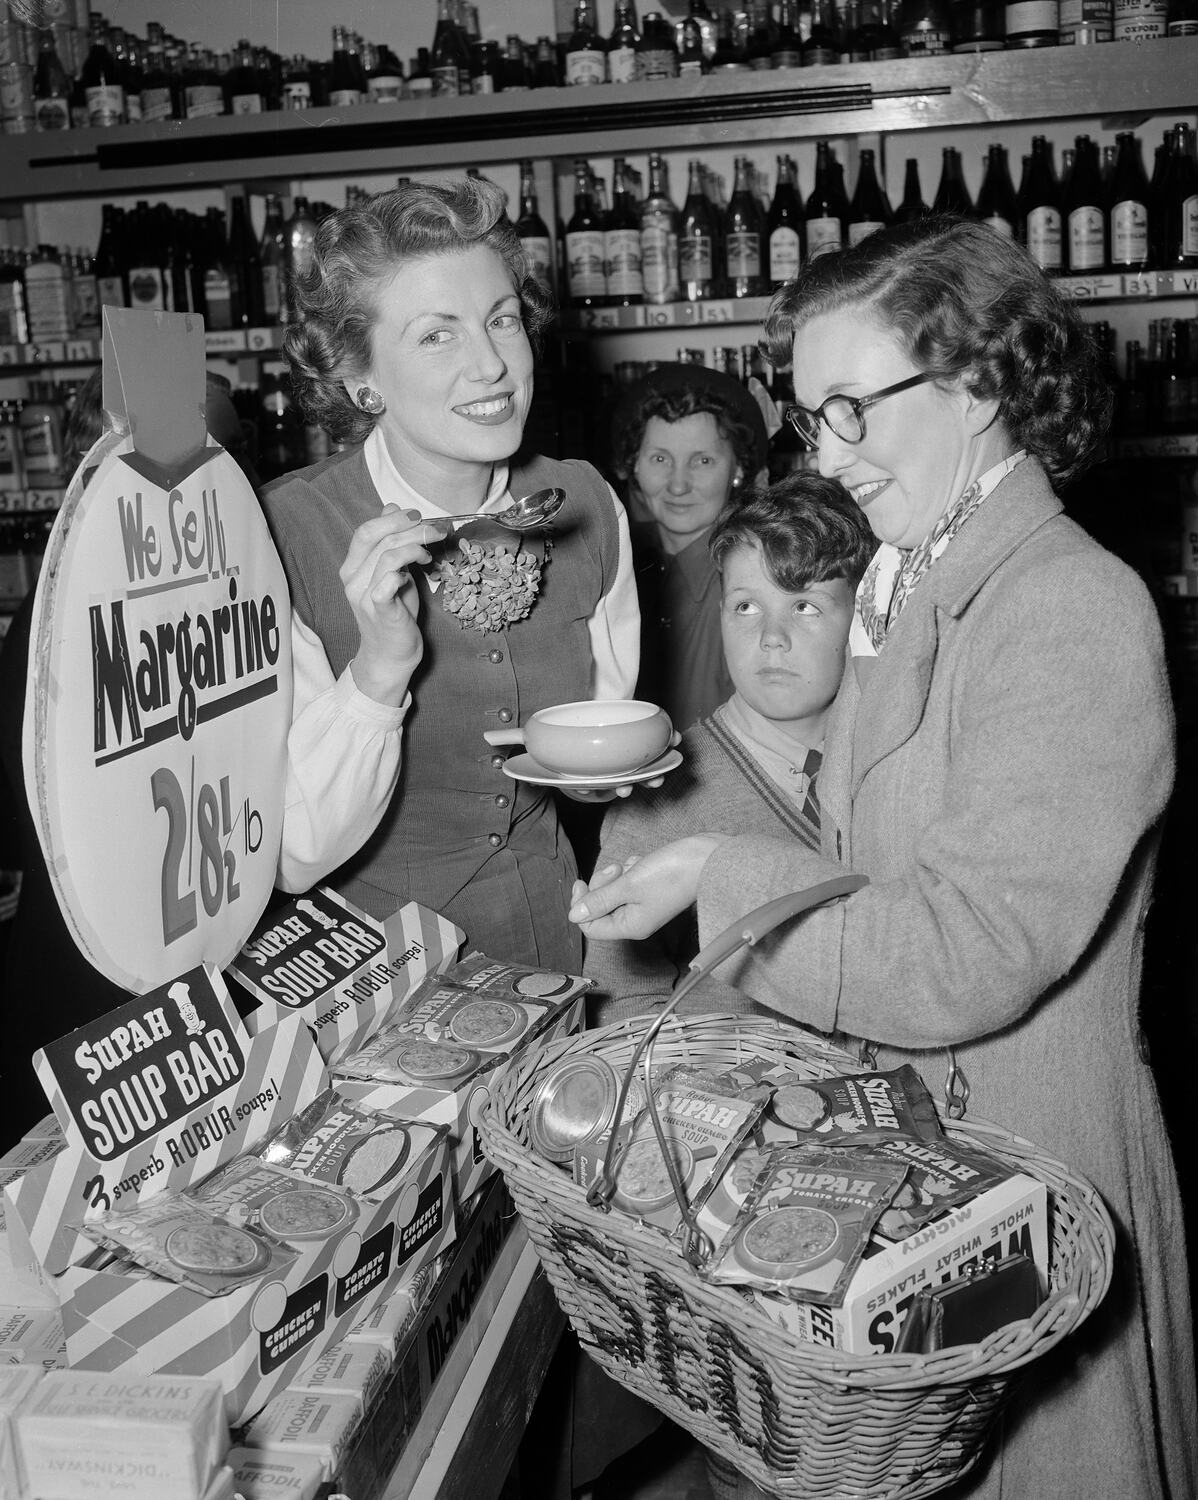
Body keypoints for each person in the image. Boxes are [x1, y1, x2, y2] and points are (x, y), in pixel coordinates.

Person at [569, 216, 1196, 1500]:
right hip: (941, 1187)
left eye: (853, 406)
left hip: (1037, 1185)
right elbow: (868, 857)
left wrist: (713, 886)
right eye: (810, 417)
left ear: (975, 381)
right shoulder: (912, 583)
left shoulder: (1067, 607)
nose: (828, 452)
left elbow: (965, 950)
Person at [260, 176, 642, 977]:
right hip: (367, 983)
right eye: (437, 336)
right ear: (361, 378)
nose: (491, 365)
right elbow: (295, 855)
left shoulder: (586, 504)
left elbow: (601, 765)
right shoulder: (280, 535)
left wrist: (606, 780)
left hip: (554, 947)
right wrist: (379, 670)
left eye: (502, 320)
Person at [586, 474, 874, 1027]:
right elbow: (620, 1004)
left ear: (860, 619)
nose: (771, 637)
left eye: (806, 607)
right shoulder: (663, 797)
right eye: (745, 607)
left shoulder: (892, 766)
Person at [610, 363, 769, 732]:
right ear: (633, 465)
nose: (678, 485)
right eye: (660, 459)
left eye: (702, 461)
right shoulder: (612, 567)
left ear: (738, 469)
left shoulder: (759, 579)